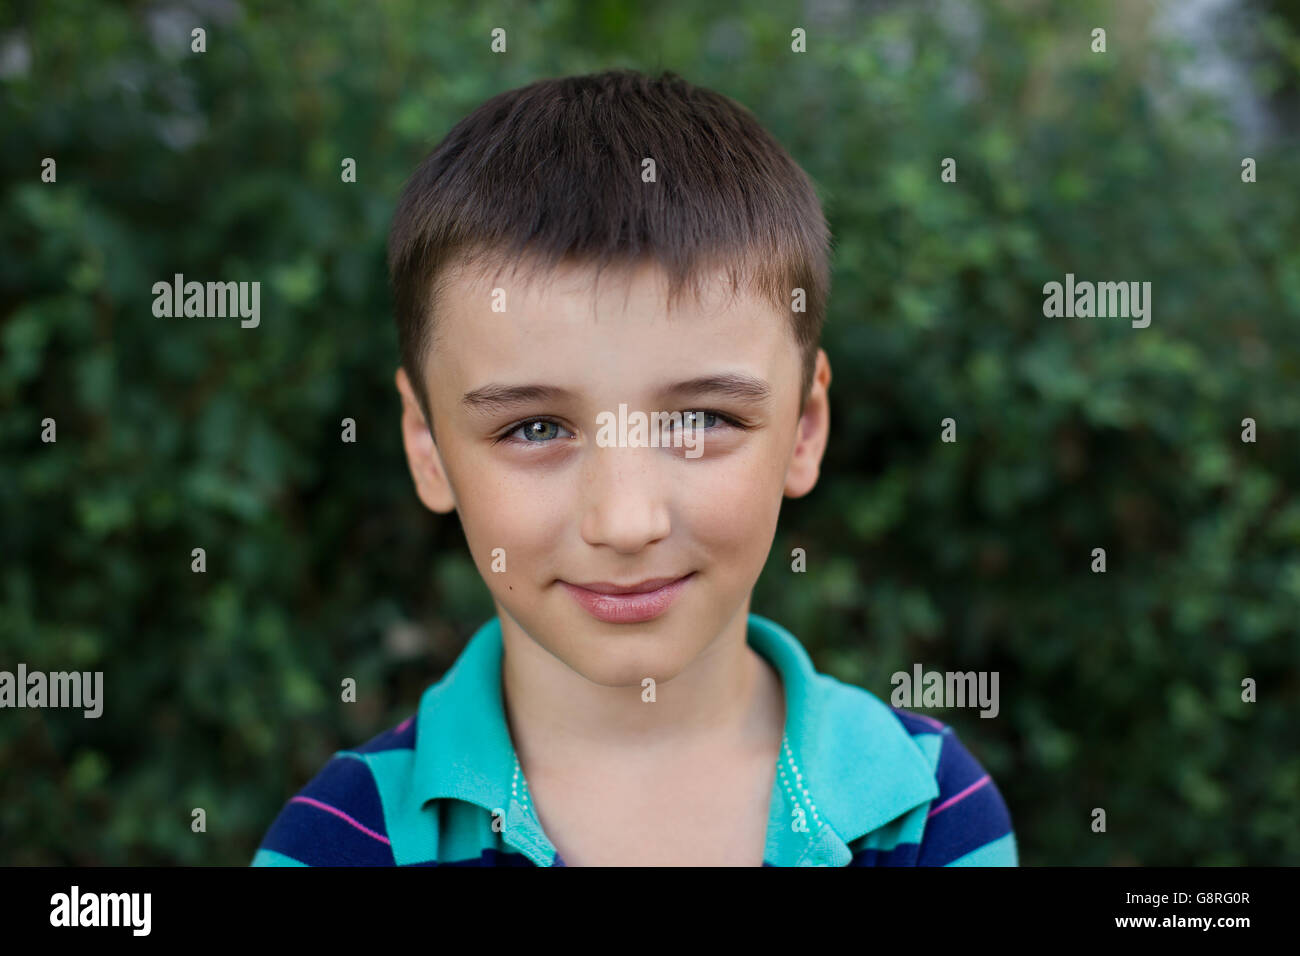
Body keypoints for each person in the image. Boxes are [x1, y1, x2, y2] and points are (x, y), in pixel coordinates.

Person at [251, 68, 1016, 866]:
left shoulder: (926, 812)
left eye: (701, 421)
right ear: (427, 446)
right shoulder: (339, 842)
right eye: (535, 427)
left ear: (804, 428)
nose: (625, 522)